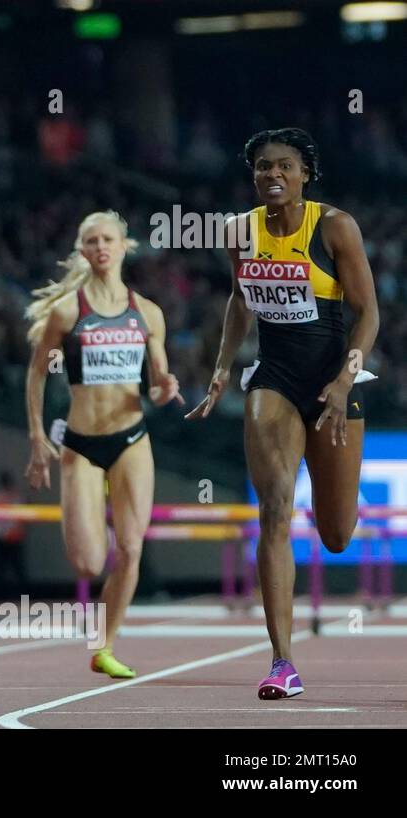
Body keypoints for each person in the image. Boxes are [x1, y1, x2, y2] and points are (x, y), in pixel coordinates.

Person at [186, 128, 378, 699]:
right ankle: (282, 663)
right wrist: (223, 367)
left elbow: (369, 312)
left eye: (284, 167)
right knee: (273, 507)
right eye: (262, 167)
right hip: (273, 378)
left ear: (304, 175)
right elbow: (240, 299)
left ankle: (335, 511)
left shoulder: (335, 226)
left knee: (337, 533)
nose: (272, 175)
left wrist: (345, 378)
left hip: (333, 376)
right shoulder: (238, 231)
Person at [24, 210, 183, 679]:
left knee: (131, 549)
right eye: (90, 241)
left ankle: (105, 646)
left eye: (107, 239)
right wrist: (37, 435)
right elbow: (36, 374)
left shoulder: (147, 312)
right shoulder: (68, 311)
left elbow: (156, 384)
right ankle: (91, 521)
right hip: (81, 444)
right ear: (82, 250)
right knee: (89, 561)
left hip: (132, 438)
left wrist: (165, 389)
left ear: (123, 245)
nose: (100, 247)